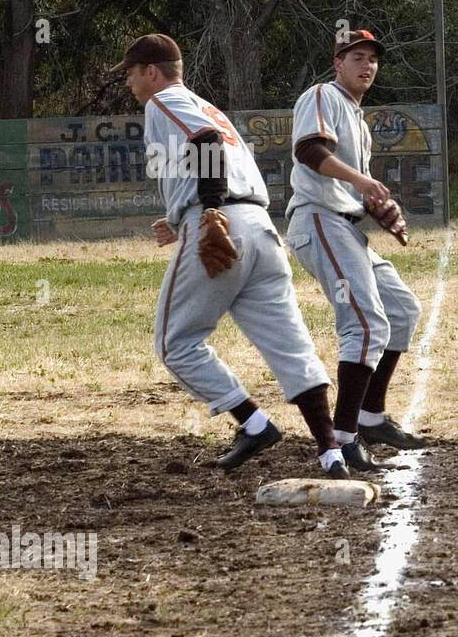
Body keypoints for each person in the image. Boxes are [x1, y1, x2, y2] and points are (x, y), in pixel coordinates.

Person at [113, 33, 347, 477]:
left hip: (224, 224)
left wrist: (211, 210)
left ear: (151, 71)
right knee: (290, 343)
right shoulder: (207, 104)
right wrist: (183, 215)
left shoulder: (161, 102)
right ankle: (330, 451)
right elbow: (207, 148)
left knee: (175, 342)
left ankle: (254, 424)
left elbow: (204, 142)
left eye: (129, 72)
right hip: (260, 230)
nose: (127, 82)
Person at [284, 28, 426, 472]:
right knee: (365, 324)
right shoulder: (323, 95)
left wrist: (378, 208)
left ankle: (371, 417)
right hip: (318, 220)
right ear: (338, 63)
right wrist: (362, 182)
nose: (367, 65)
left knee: (402, 310)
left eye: (373, 59)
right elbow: (309, 150)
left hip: (344, 225)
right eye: (357, 56)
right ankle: (342, 439)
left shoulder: (357, 118)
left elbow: (350, 187)